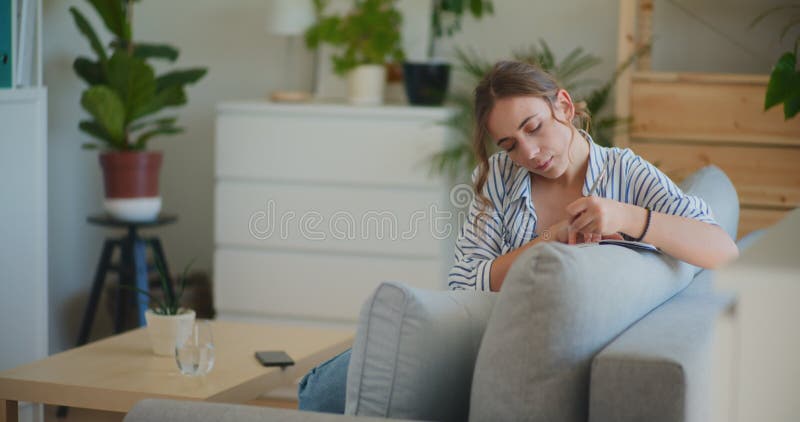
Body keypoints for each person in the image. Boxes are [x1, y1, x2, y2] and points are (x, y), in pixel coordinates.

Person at [298, 60, 739, 412]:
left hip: (529, 348)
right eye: (508, 144)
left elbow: (724, 249)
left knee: (322, 388)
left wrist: (628, 216)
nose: (528, 153)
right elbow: (464, 282)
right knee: (325, 386)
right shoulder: (499, 177)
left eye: (533, 128)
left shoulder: (626, 172)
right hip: (483, 331)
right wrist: (551, 237)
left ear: (563, 106)